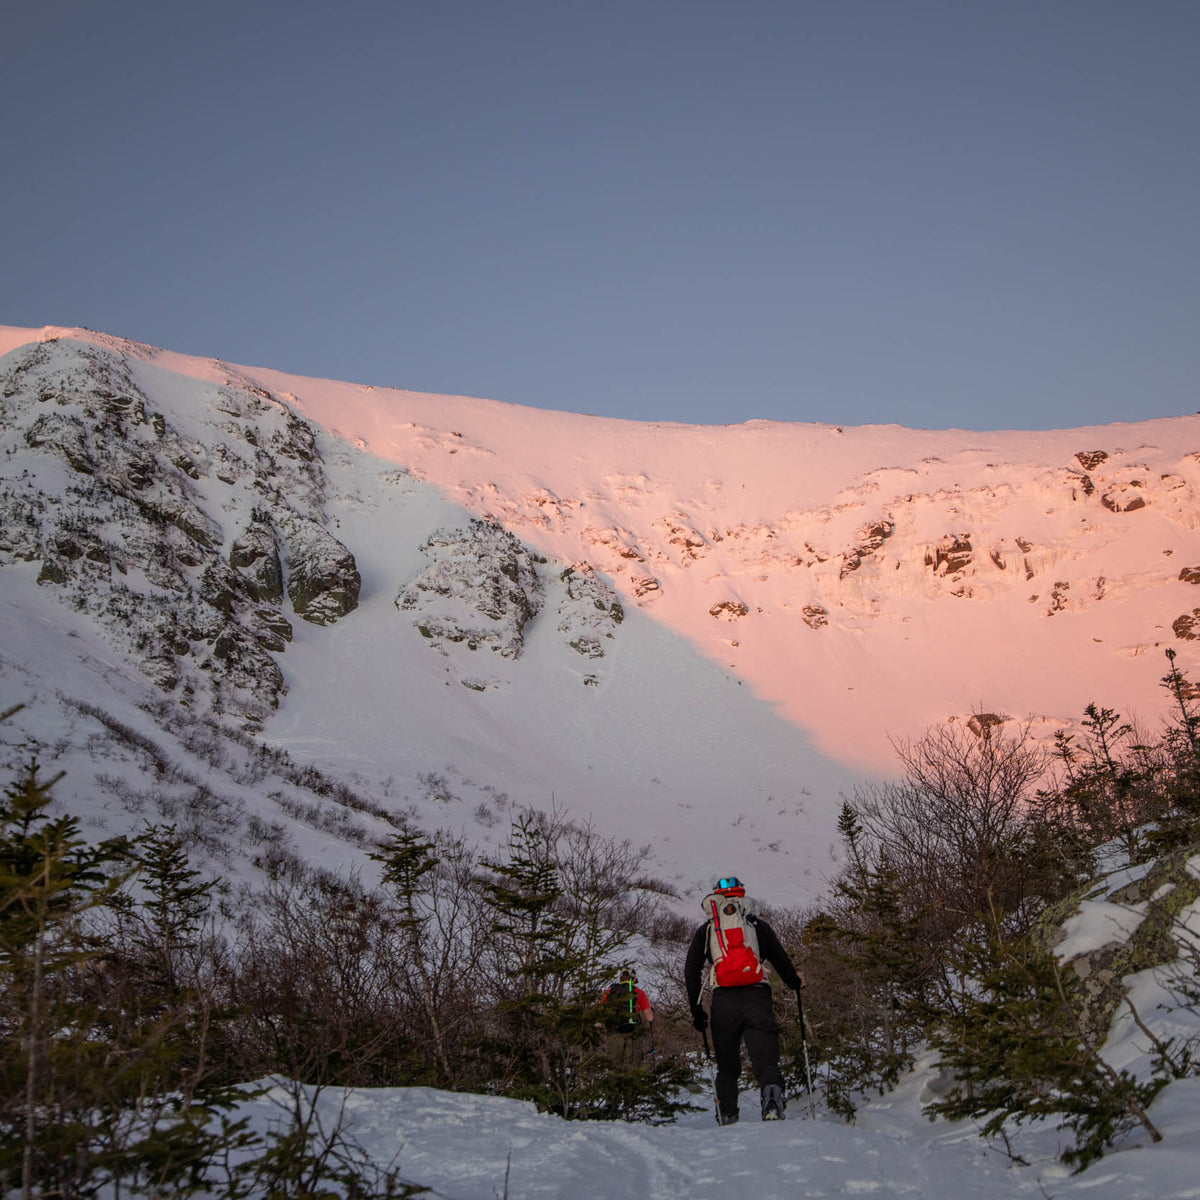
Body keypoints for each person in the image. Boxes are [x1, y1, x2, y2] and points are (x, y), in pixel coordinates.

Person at [684, 875, 804, 1124]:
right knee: (765, 1057)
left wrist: (697, 1012)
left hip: (723, 1001)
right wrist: (795, 982)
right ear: (742, 896)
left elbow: (690, 971)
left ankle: (727, 1114)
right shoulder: (757, 926)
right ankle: (771, 1102)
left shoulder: (707, 930)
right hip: (756, 995)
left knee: (727, 1064)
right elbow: (781, 961)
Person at [601, 967, 654, 1065]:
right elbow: (649, 1017)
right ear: (633, 980)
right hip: (633, 1032)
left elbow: (600, 1012)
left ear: (620, 979)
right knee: (632, 1065)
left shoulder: (609, 991)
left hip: (614, 1032)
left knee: (614, 1065)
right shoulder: (639, 993)